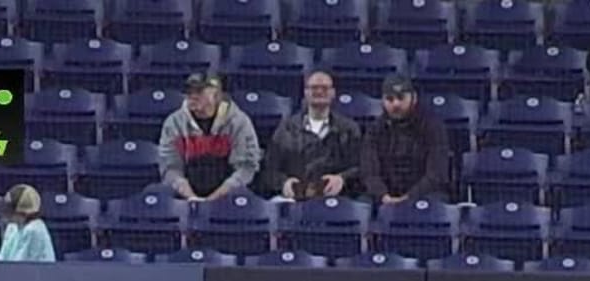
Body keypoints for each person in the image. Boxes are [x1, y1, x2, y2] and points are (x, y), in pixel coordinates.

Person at [259, 69, 362, 200]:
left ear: (333, 93)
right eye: (314, 88)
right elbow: (269, 170)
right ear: (305, 92)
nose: (319, 92)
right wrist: (283, 183)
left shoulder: (349, 129)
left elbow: (361, 168)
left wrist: (342, 179)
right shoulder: (286, 128)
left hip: (337, 200)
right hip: (295, 201)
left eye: (324, 88)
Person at [158, 73, 263, 201]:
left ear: (216, 94)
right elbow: (170, 168)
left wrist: (214, 199)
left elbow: (245, 168)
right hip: (184, 199)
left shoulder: (239, 122)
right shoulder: (174, 123)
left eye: (199, 91)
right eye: (189, 91)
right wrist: (192, 198)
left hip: (230, 198)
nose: (193, 96)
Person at [360, 75, 449, 204]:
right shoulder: (375, 129)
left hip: (424, 193)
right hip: (384, 195)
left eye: (401, 98)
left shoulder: (433, 127)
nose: (396, 104)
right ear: (382, 101)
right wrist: (383, 195)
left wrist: (408, 197)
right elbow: (369, 172)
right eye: (390, 99)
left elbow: (436, 174)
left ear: (414, 98)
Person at [0, 183, 55, 262]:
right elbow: (1, 258)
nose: (5, 214)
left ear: (22, 212)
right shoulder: (12, 227)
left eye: (9, 210)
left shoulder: (34, 230)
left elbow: (20, 265)